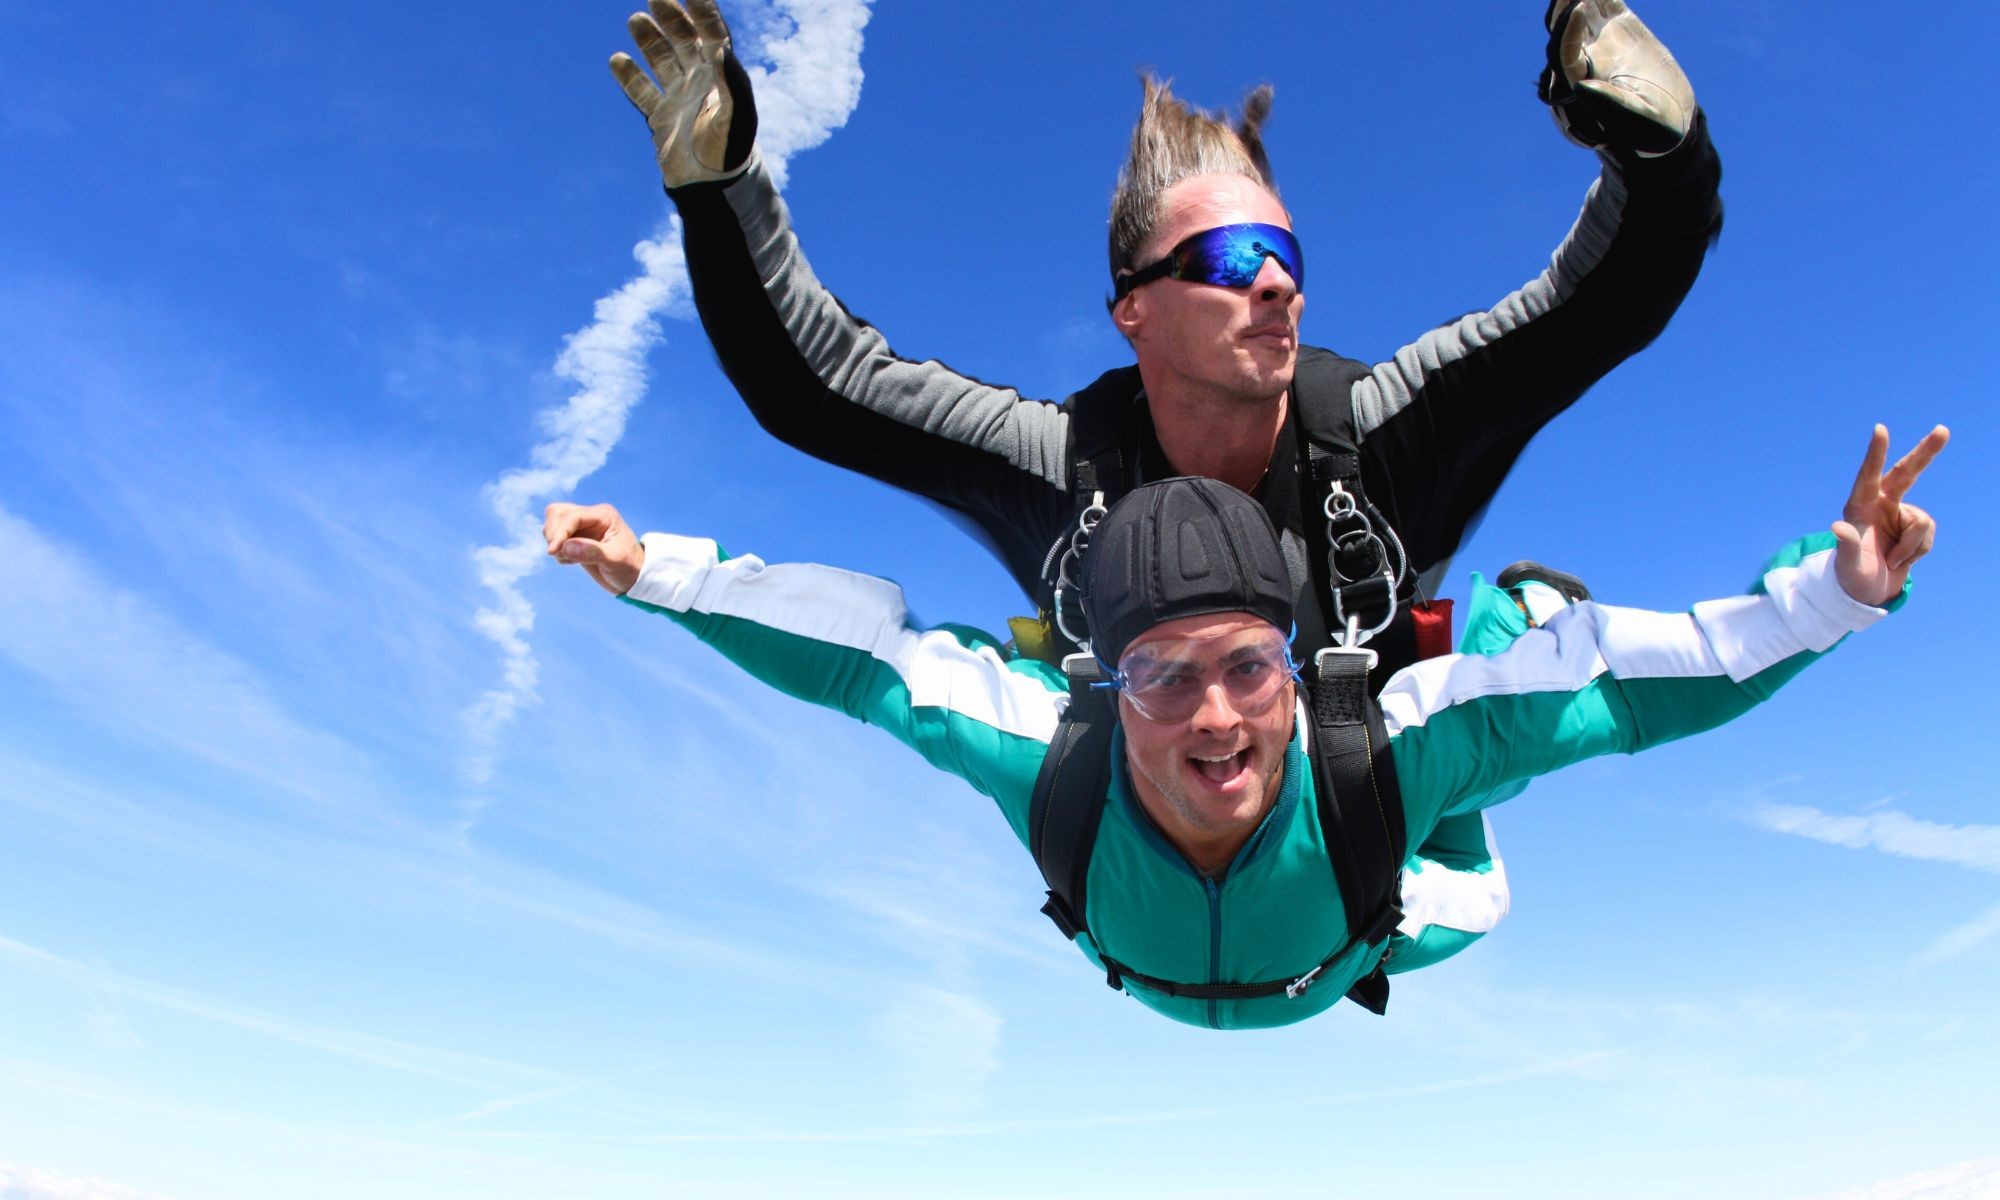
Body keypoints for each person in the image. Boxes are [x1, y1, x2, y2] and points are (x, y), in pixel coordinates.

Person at [608, 0, 1725, 961]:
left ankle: (1517, 612)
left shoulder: (1380, 432)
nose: (1278, 288)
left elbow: (1593, 310)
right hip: (1166, 802)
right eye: (1236, 262)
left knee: (1479, 772)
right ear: (1131, 308)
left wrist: (1661, 156)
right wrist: (721, 191)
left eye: (1289, 259)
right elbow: (826, 392)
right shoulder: (1059, 465)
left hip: (1386, 765)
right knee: (1015, 684)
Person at [543, 424, 1947, 1030]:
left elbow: (1633, 688)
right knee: (1452, 733)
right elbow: (872, 661)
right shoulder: (1051, 755)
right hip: (1246, 936)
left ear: (1293, 663)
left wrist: (1831, 595)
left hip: (1394, 906)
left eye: (1245, 667)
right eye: (1159, 676)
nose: (1212, 717)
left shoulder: (1375, 742)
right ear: (1104, 686)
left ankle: (1495, 607)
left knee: (1504, 699)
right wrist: (656, 570)